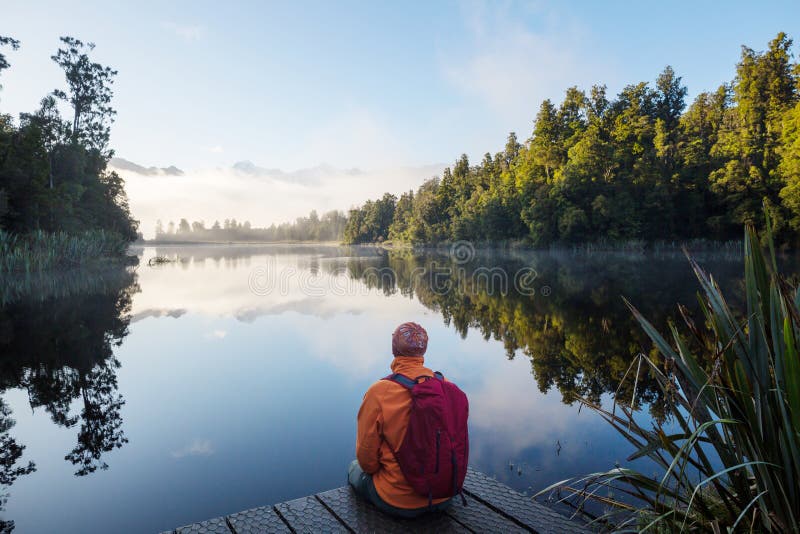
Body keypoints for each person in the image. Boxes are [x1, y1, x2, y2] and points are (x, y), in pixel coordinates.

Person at [348, 322, 469, 518]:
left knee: (354, 468)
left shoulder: (379, 392)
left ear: (394, 349)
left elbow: (367, 461)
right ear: (424, 350)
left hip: (397, 501)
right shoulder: (447, 386)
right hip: (445, 497)